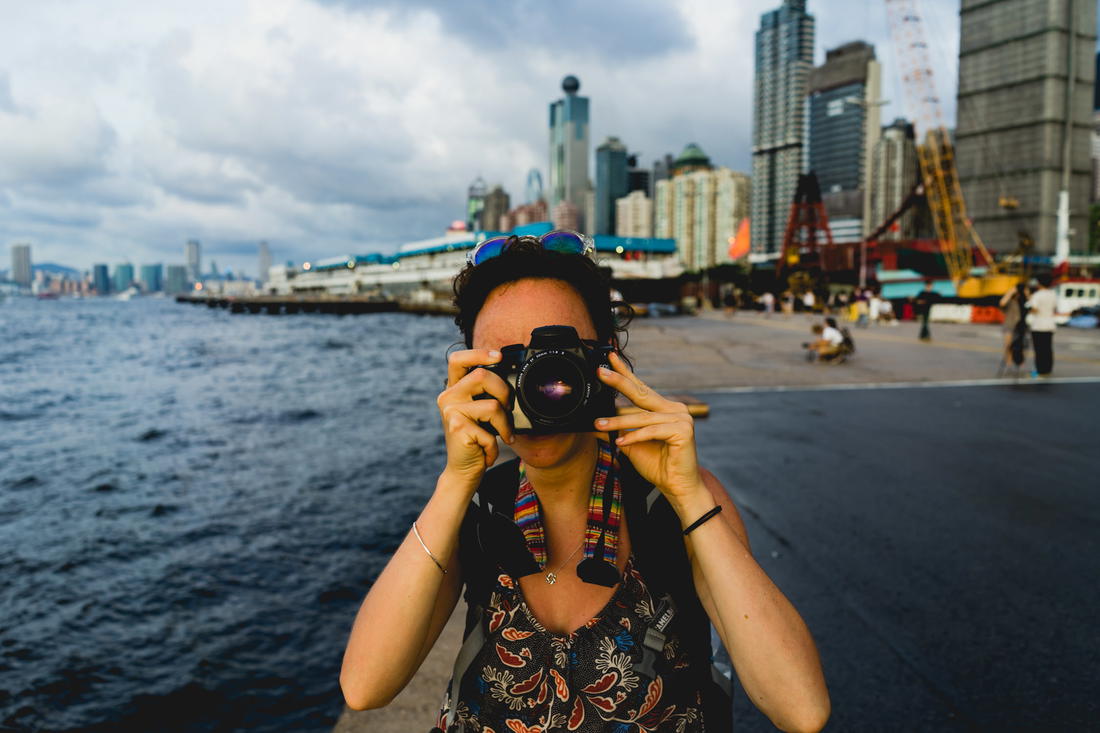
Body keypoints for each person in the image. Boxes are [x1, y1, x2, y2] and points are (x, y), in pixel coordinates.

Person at [339, 232, 830, 732]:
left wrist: (689, 495)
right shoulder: (477, 508)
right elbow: (365, 686)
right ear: (470, 378)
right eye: (508, 363)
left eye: (555, 357)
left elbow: (802, 709)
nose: (537, 384)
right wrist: (455, 481)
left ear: (605, 358)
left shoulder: (672, 503)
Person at [1026, 273, 1057, 377]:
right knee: (1047, 348)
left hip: (1038, 324)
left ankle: (1040, 370)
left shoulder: (1037, 295)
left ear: (1039, 283)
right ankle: (1048, 369)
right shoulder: (1053, 294)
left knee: (1039, 349)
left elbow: (1034, 309)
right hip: (1050, 324)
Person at [998, 283, 1029, 373]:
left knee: (1021, 346)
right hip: (1009, 326)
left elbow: (1031, 304)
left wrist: (1026, 293)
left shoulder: (1023, 302)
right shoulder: (1010, 301)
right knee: (1008, 346)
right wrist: (1011, 291)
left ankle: (1020, 364)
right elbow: (1002, 302)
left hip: (1021, 327)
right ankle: (1009, 364)